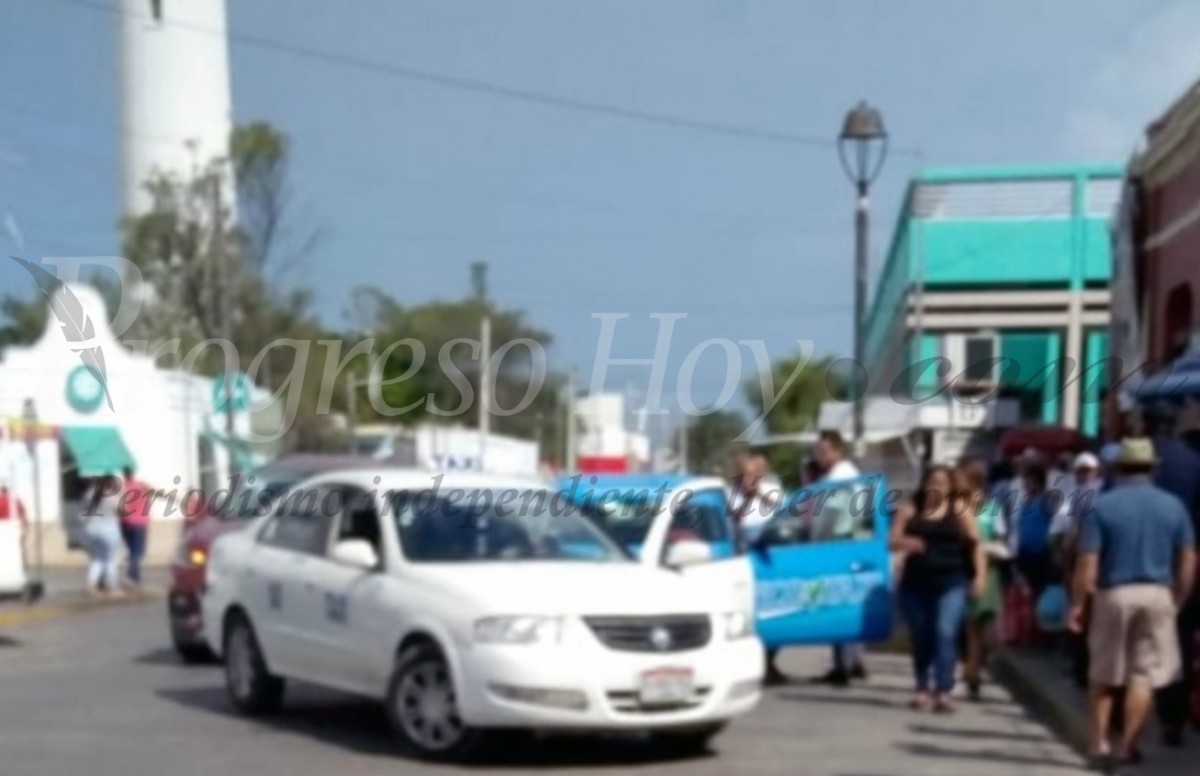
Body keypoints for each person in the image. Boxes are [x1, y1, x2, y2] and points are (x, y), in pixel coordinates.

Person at [1069, 438, 1196, 770]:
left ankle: (1099, 742)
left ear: (1117, 468)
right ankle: (1129, 745)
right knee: (1144, 674)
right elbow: (1188, 555)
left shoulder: (1103, 505)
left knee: (1104, 674)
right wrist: (1180, 594)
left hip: (1114, 593)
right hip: (1157, 592)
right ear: (1154, 468)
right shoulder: (1173, 506)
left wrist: (1079, 602)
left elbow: (1088, 561)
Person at [892, 464, 984, 713]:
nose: (936, 487)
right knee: (922, 636)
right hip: (915, 583)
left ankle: (944, 690)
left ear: (951, 486)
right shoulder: (911, 508)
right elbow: (892, 540)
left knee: (945, 631)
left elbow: (976, 544)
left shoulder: (959, 511)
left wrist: (979, 577)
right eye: (932, 481)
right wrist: (906, 542)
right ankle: (922, 687)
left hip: (951, 581)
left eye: (942, 483)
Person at [1144, 404, 1200, 747]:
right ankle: (1178, 715)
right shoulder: (1189, 465)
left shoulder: (1154, 462)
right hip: (1187, 559)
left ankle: (1162, 717)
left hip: (1157, 562)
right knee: (1181, 638)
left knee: (1161, 641)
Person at [812, 430, 867, 685]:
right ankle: (853, 660)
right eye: (818, 451)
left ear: (837, 451)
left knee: (838, 604)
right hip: (850, 544)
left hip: (838, 545)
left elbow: (830, 517)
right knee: (848, 602)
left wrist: (815, 542)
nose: (819, 456)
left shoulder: (838, 478)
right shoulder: (851, 475)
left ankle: (843, 665)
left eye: (823, 451)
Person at [957, 456, 1007, 702]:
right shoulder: (957, 507)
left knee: (985, 627)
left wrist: (989, 547)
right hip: (963, 570)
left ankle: (976, 666)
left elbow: (1002, 538)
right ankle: (972, 673)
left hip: (990, 570)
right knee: (970, 626)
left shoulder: (992, 508)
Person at [1015, 461, 1058, 599]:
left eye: (1030, 481)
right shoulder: (1024, 502)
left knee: (1041, 593)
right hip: (1024, 554)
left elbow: (1057, 524)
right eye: (1025, 481)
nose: (1027, 485)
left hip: (1043, 554)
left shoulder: (1047, 499)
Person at [82, 474, 125, 597]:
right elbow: (123, 510)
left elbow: (84, 508)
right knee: (110, 559)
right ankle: (112, 587)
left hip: (91, 529)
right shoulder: (113, 495)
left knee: (97, 559)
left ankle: (91, 586)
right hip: (108, 531)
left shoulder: (90, 493)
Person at [119, 466, 154, 588]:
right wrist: (176, 499)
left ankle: (136, 577)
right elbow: (158, 492)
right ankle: (130, 576)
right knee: (137, 552)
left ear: (124, 474)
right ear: (133, 473)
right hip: (140, 523)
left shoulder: (122, 488)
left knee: (133, 551)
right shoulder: (142, 485)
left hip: (125, 523)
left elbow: (120, 507)